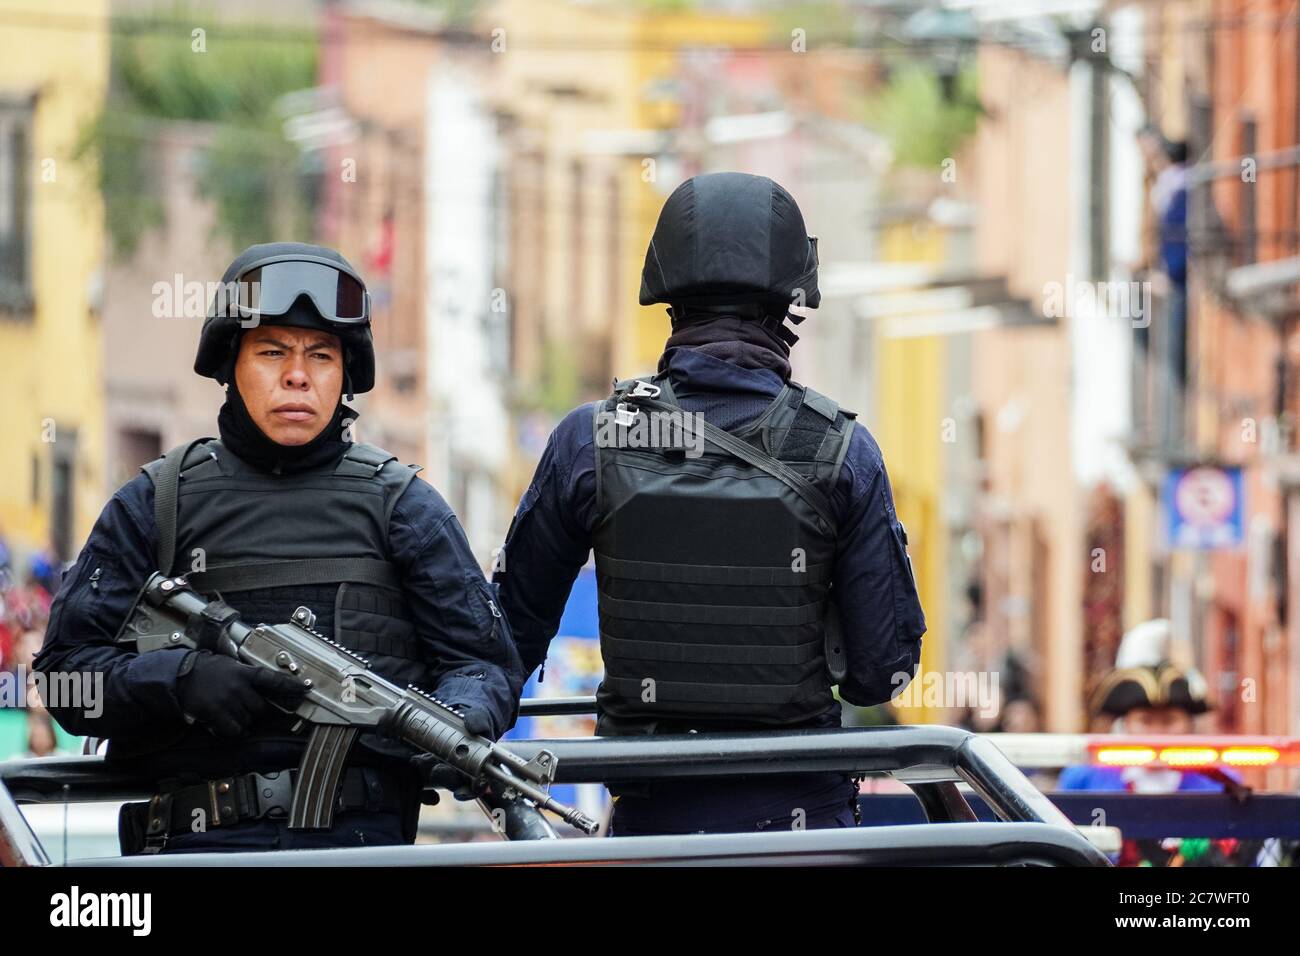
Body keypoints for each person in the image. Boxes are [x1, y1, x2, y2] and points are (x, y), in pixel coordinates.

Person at [35, 242, 523, 854]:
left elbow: (483, 665)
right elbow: (64, 677)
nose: (297, 375)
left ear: (346, 372)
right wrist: (181, 682)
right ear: (230, 364)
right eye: (272, 352)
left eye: (320, 355)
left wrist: (449, 723)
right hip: (195, 845)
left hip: (358, 845)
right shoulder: (157, 504)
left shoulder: (404, 507)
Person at [494, 173, 926, 836]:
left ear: (667, 297)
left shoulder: (592, 440)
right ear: (791, 300)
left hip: (650, 835)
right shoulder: (845, 451)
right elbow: (879, 675)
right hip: (804, 837)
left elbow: (503, 648)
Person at [1058, 619, 1248, 866]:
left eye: (1169, 721)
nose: (1157, 733)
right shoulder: (1083, 779)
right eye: (1145, 721)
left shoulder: (1223, 784)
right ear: (1125, 725)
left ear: (1189, 726)